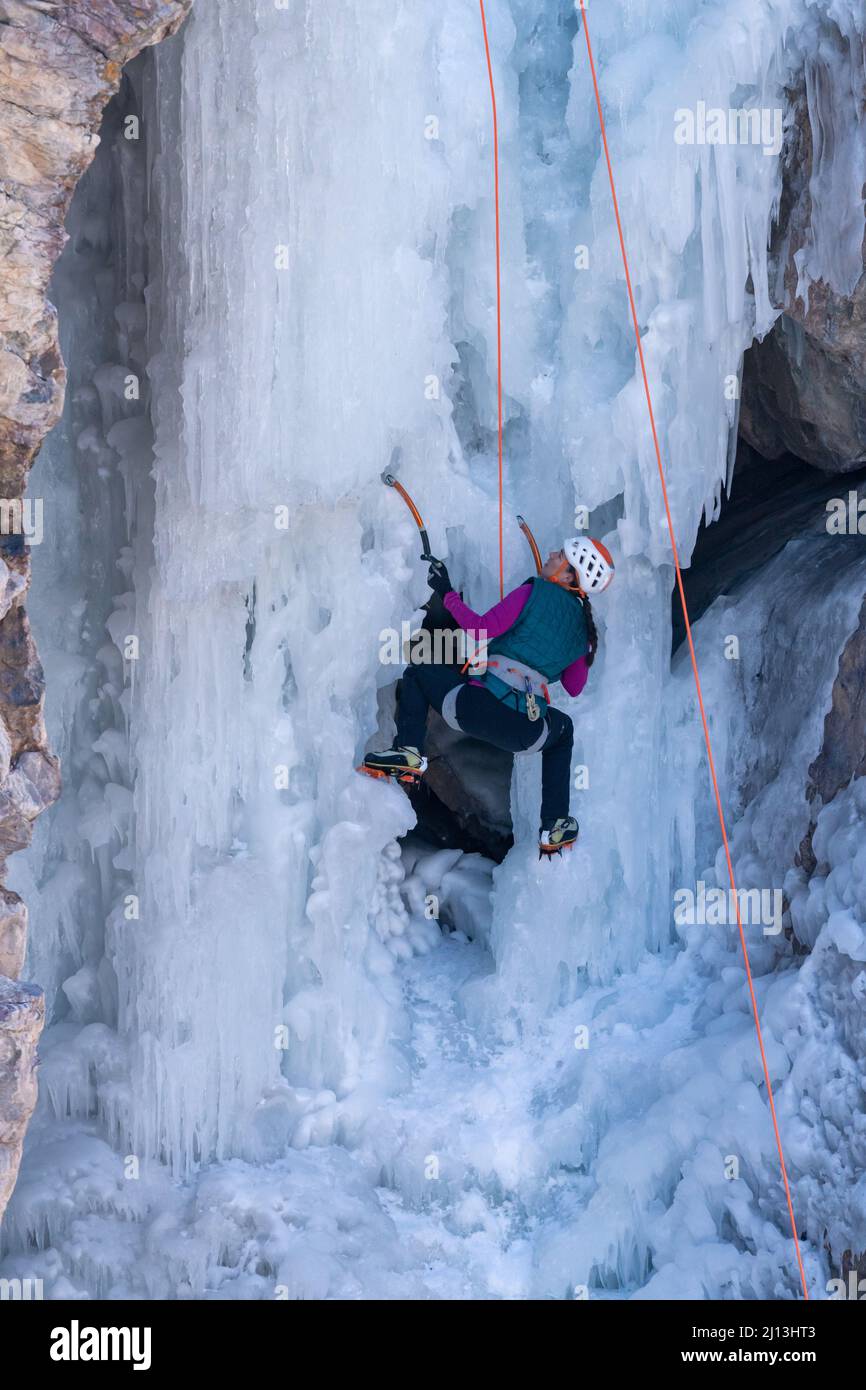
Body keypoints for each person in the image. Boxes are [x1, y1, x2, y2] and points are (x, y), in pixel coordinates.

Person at [363, 537, 615, 855]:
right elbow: (574, 686)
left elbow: (481, 628)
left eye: (561, 555)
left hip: (476, 708)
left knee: (418, 674)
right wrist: (580, 647)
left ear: (569, 575)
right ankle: (555, 824)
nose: (552, 554)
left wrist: (447, 592)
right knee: (562, 731)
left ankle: (410, 753)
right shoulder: (583, 631)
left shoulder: (535, 591)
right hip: (526, 732)